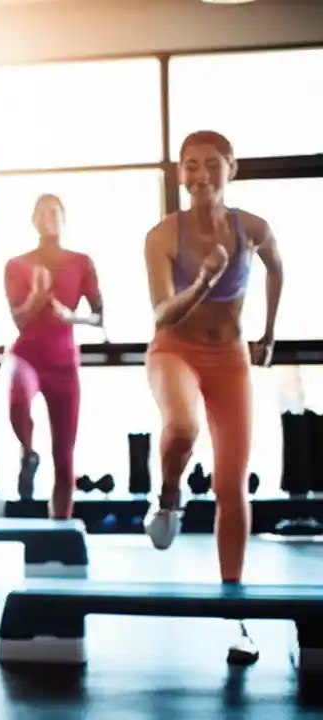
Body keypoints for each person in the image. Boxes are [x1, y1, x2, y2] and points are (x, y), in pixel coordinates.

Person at [143, 130, 282, 664]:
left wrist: (268, 332)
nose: (199, 175)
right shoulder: (162, 236)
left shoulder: (254, 228)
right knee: (181, 429)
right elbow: (160, 313)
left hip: (231, 361)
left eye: (210, 164)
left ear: (232, 168)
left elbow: (279, 267)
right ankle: (169, 495)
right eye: (189, 166)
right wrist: (203, 281)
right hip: (173, 350)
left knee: (230, 485)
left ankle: (235, 616)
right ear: (180, 174)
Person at [2, 194, 103, 519]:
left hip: (63, 365)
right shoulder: (17, 265)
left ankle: (59, 526)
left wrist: (70, 317)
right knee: (18, 404)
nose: (49, 217)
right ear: (34, 221)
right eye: (42, 213)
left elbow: (99, 317)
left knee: (64, 454)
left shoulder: (81, 262)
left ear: (63, 217)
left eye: (54, 211)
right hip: (27, 357)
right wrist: (37, 296)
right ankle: (29, 453)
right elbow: (19, 318)